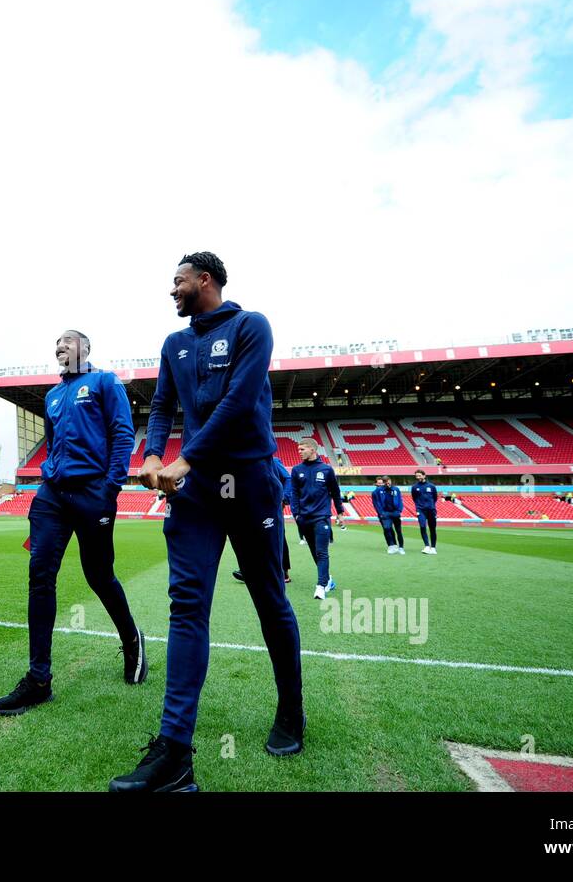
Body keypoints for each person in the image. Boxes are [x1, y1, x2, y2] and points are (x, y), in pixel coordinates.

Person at [110, 252, 305, 793]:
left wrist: (185, 459)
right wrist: (152, 456)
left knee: (269, 599)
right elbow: (161, 407)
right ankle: (175, 754)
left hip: (248, 484)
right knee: (187, 604)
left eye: (177, 280)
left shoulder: (251, 326)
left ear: (205, 279)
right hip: (196, 495)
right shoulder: (174, 344)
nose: (171, 290)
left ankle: (291, 710)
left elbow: (241, 402)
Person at [0, 329, 146, 716]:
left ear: (86, 348)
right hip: (52, 496)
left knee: (99, 576)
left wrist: (110, 488)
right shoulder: (52, 395)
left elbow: (123, 434)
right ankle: (39, 679)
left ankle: (132, 639)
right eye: (56, 343)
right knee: (40, 573)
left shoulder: (104, 381)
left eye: (67, 341)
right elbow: (52, 439)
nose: (59, 346)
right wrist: (48, 478)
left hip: (94, 493)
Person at [291, 438, 344, 598]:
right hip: (304, 518)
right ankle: (328, 580)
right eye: (298, 449)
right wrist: (296, 514)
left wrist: (340, 513)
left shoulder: (326, 469)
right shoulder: (296, 470)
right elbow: (294, 493)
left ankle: (321, 586)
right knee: (315, 552)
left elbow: (335, 492)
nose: (299, 452)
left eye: (302, 449)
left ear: (312, 450)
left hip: (321, 517)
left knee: (321, 552)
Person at [233, 455, 293, 584]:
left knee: (277, 537)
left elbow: (288, 478)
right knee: (252, 538)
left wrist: (284, 498)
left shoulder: (273, 461)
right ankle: (249, 571)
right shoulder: (246, 462)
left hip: (271, 505)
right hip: (253, 506)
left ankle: (283, 571)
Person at [372, 474, 405, 554]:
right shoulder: (377, 491)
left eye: (389, 481)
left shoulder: (396, 489)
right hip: (385, 513)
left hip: (395, 513)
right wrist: (381, 513)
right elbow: (376, 504)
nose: (388, 483)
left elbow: (400, 500)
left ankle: (401, 547)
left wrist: (399, 510)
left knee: (398, 531)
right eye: (386, 482)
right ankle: (391, 546)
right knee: (387, 529)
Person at [412, 469, 439, 555]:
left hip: (431, 510)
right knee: (422, 526)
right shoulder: (415, 487)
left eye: (419, 475)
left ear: (424, 475)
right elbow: (414, 498)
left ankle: (433, 548)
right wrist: (418, 507)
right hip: (421, 510)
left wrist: (431, 506)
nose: (418, 477)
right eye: (417, 476)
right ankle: (427, 546)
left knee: (432, 529)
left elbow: (435, 497)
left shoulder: (431, 486)